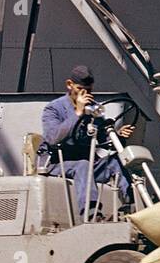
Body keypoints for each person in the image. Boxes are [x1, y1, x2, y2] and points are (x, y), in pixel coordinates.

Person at [40, 65, 135, 216]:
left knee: (117, 161)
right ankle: (91, 212)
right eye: (80, 89)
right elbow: (53, 138)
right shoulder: (53, 109)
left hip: (86, 164)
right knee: (83, 165)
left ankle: (131, 203)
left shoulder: (94, 109)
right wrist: (78, 113)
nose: (85, 94)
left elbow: (105, 141)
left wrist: (119, 136)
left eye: (89, 91)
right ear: (69, 85)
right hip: (58, 163)